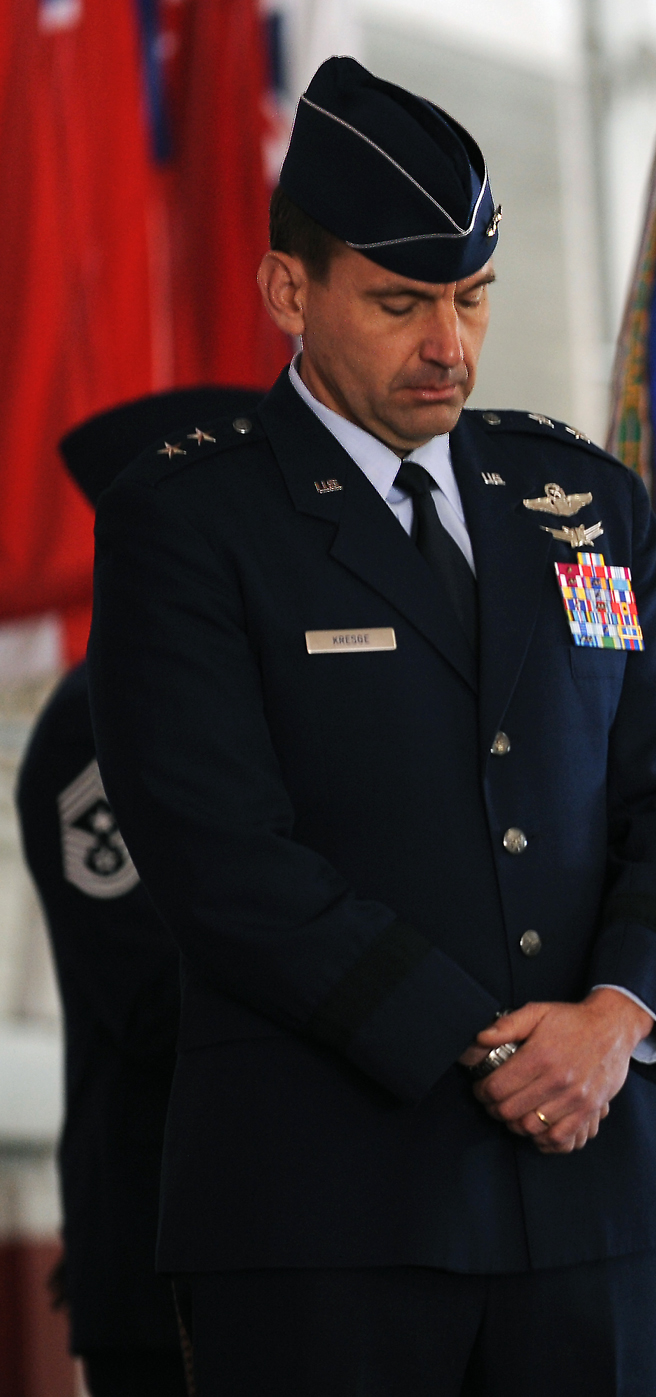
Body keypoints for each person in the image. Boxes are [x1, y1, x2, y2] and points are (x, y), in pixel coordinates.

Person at [87, 57, 656, 1396]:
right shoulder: (191, 524)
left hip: (587, 1200)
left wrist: (614, 1020)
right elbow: (219, 853)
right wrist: (491, 1042)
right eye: (399, 302)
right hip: (327, 1206)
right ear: (288, 293)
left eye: (472, 297)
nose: (451, 343)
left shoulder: (584, 505)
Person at [17, 387, 261, 1397]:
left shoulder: (242, 694)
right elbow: (157, 991)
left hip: (286, 1234)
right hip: (173, 1232)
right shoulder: (97, 726)